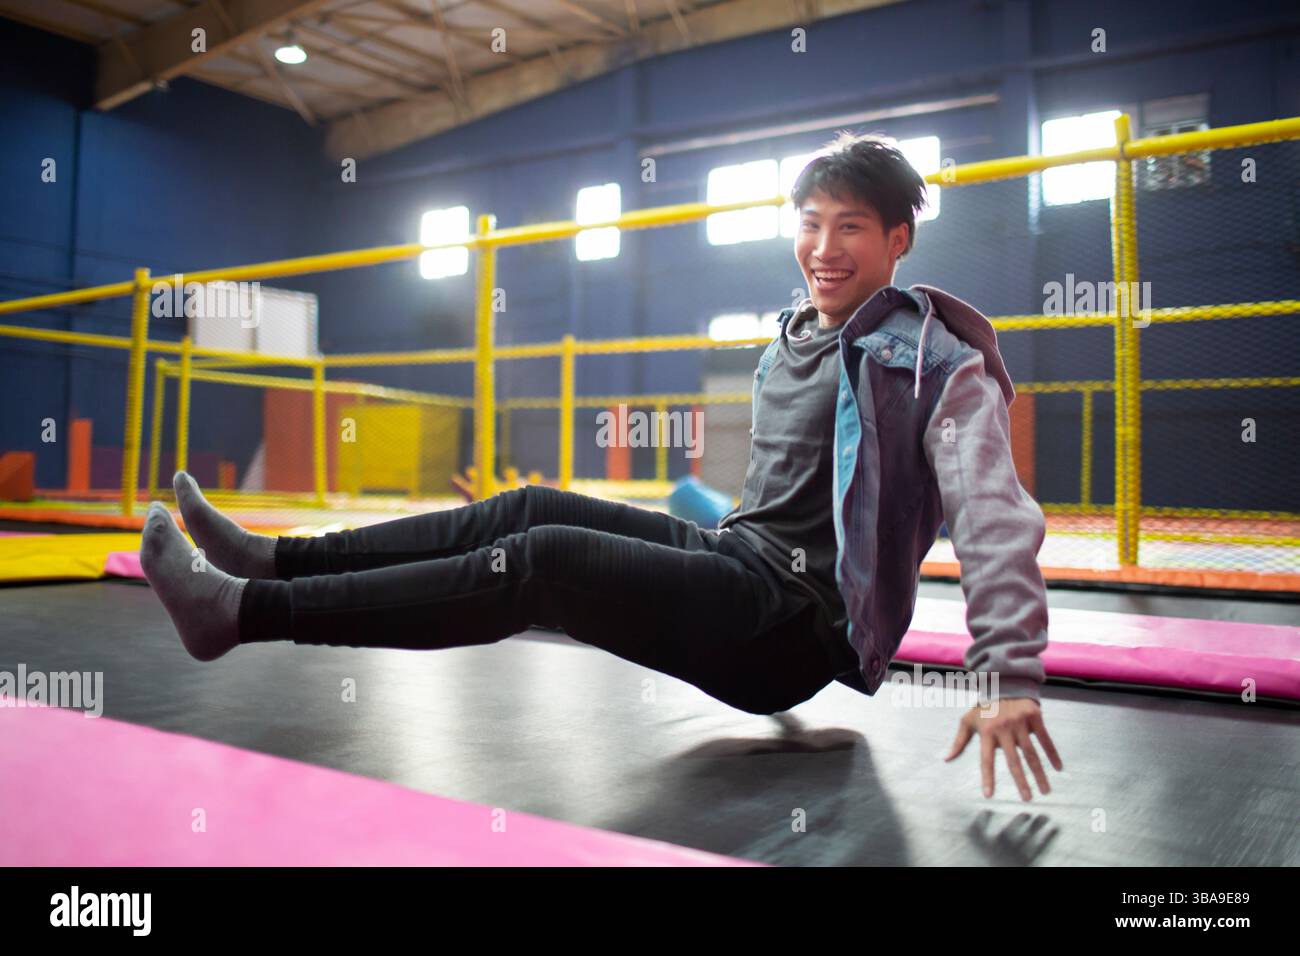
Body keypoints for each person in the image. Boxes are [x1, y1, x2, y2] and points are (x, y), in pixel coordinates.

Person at [141, 131, 1062, 801]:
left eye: (852, 228)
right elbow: (784, 505)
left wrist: (1010, 673)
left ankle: (240, 614)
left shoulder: (932, 363)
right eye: (811, 224)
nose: (824, 249)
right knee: (527, 507)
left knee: (539, 564)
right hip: (738, 562)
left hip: (792, 628)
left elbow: (994, 511)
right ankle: (273, 559)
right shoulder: (789, 338)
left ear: (899, 239)